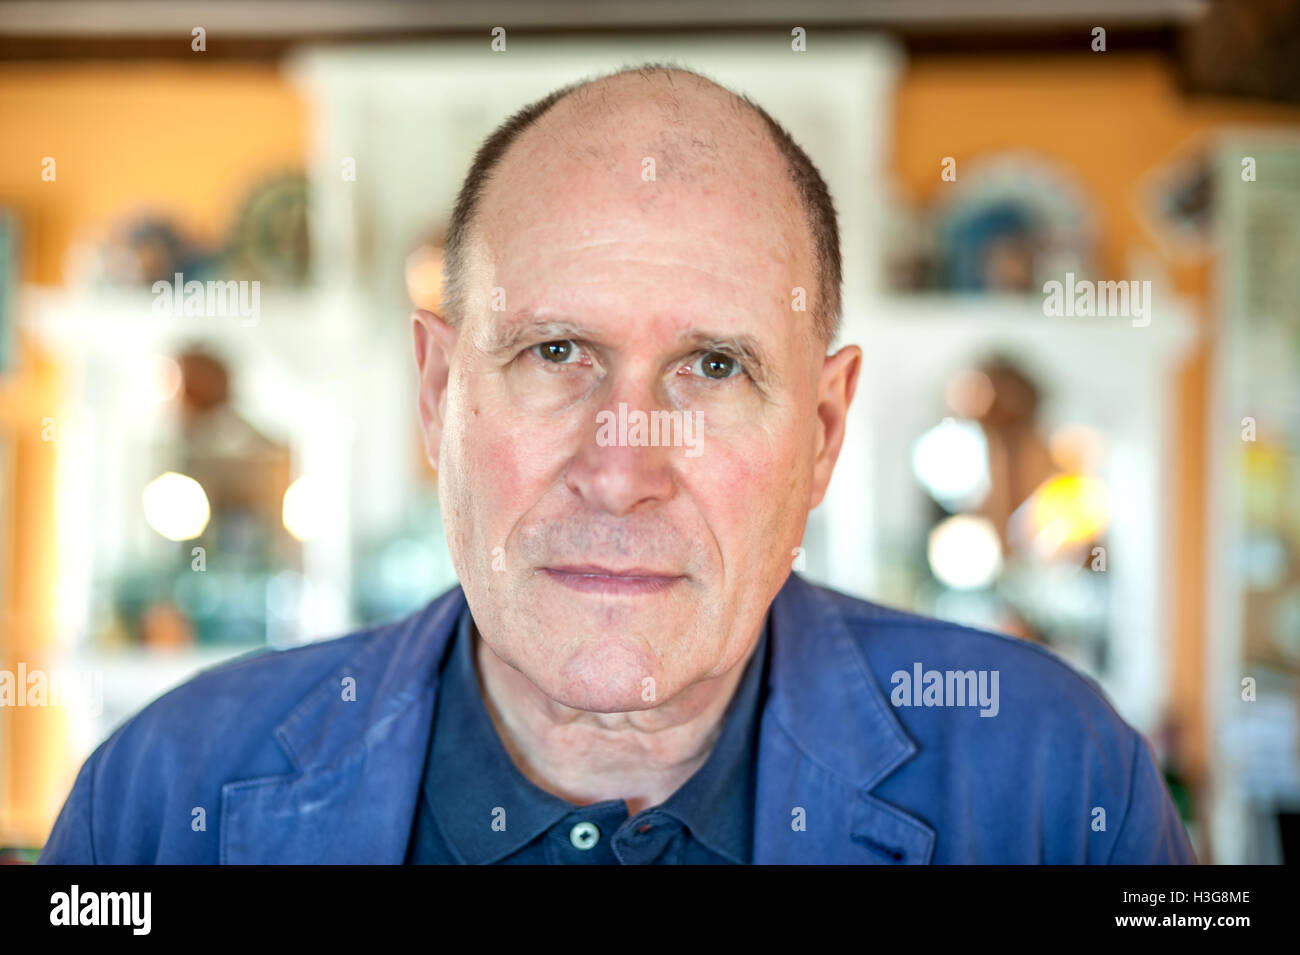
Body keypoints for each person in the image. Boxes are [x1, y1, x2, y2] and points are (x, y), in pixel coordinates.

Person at [39, 64, 1195, 864]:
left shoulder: (1055, 785)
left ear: (826, 432)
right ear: (438, 392)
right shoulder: (161, 796)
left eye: (711, 368)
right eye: (555, 351)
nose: (622, 465)